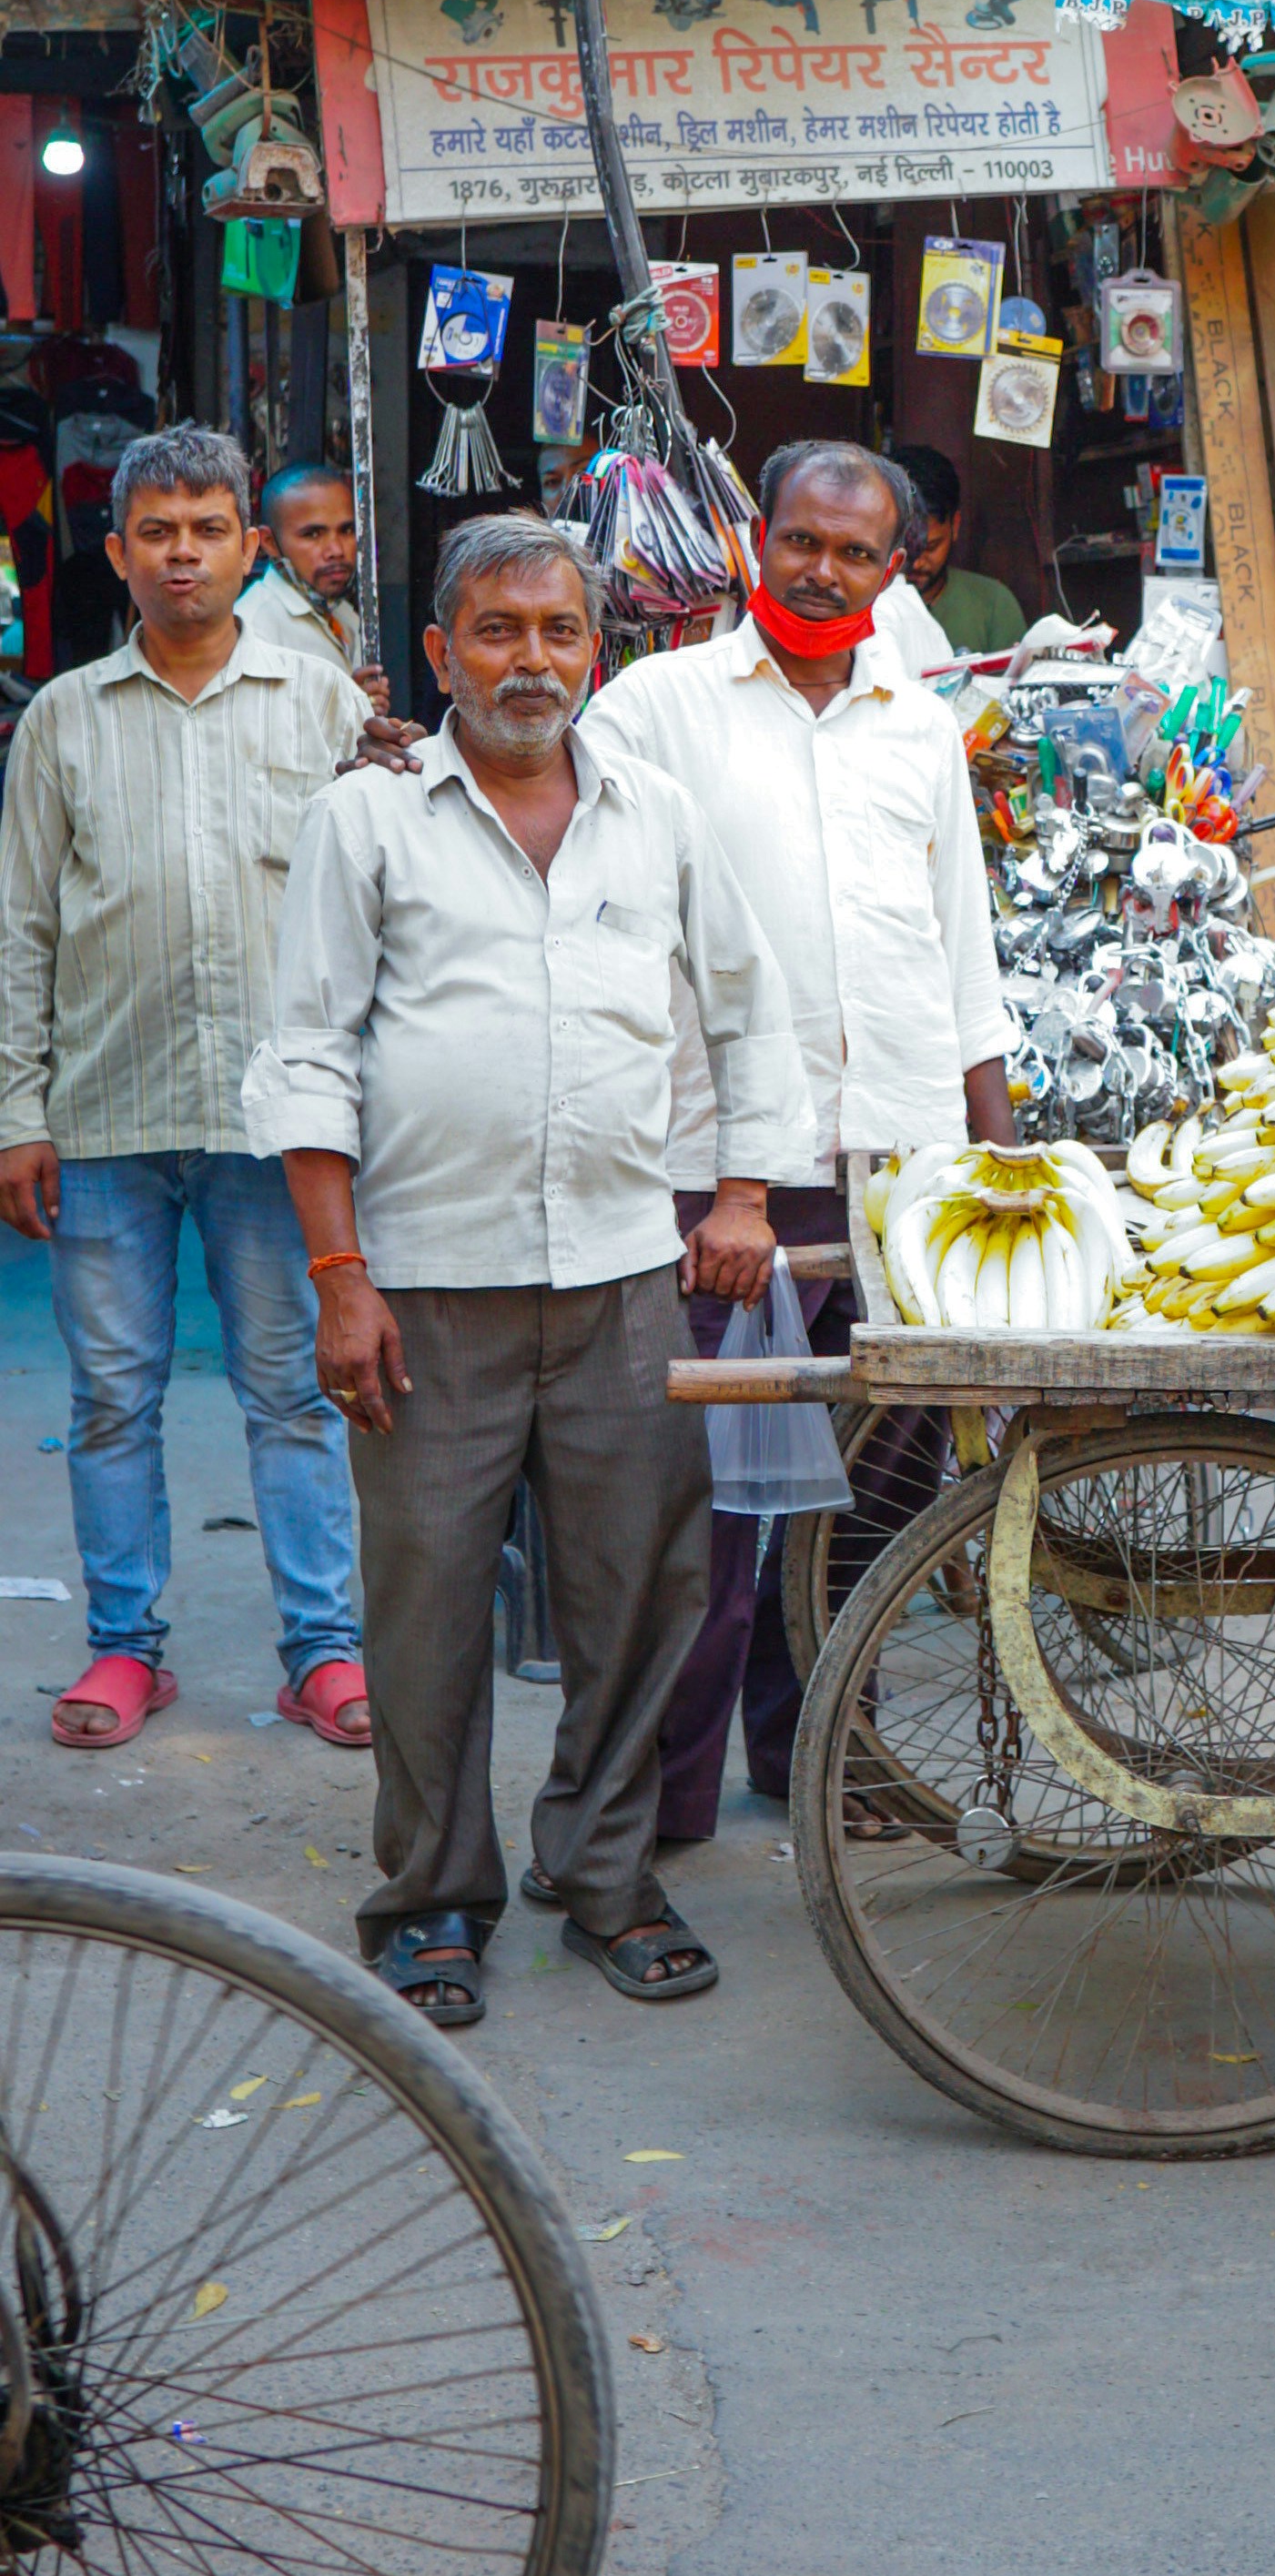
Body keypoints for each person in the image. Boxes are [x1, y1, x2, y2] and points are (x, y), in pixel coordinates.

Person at [349, 439, 1011, 1830]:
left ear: (898, 569)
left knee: (871, 1500)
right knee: (689, 1515)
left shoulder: (914, 725)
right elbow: (513, 767)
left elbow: (964, 955)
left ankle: (829, 1753)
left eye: (855, 551)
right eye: (800, 543)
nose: (822, 571)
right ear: (752, 546)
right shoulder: (655, 705)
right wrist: (402, 749)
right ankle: (665, 1792)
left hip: (891, 1168)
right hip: (707, 1174)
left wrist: (989, 1150)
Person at [245, 515, 815, 2024]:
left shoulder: (656, 815)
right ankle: (432, 1897)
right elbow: (305, 1053)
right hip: (427, 1284)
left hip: (625, 1275)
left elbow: (750, 1011)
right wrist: (339, 1276)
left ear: (594, 647)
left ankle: (606, 1872)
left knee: (639, 1595)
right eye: (496, 631)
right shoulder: (365, 824)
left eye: (559, 631)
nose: (531, 660)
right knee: (426, 1602)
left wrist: (743, 1188)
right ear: (440, 654)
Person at [0, 424, 369, 1753]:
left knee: (294, 1391)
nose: (182, 555)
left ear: (247, 548)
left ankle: (323, 1652)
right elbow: (19, 928)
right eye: (156, 532)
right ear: (117, 555)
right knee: (111, 1398)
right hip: (106, 1113)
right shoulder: (62, 719)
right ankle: (123, 1649)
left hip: (280, 1124)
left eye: (207, 530)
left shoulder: (321, 700)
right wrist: (17, 1116)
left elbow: (369, 910)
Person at [238, 460, 389, 703]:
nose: (336, 550)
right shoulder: (255, 629)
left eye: (347, 531)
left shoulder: (340, 613)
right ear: (269, 542)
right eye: (313, 534)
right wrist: (344, 708)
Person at [893, 442, 1026, 656]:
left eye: (930, 547)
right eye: (905, 549)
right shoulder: (865, 606)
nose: (917, 562)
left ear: (955, 526)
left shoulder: (993, 606)